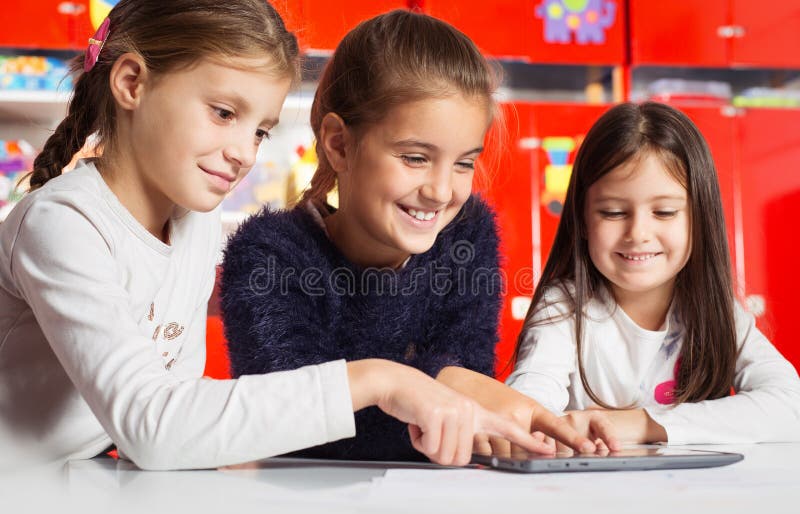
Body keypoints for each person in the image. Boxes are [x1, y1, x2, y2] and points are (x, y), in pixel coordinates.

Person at [0, 0, 550, 471]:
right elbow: (152, 424)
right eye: (222, 113)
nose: (244, 152)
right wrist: (385, 379)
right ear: (131, 83)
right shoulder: (63, 223)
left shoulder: (192, 220)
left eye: (259, 129)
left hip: (82, 486)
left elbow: (179, 418)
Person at [221, 9, 608, 461]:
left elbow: (463, 394)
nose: (442, 192)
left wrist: (463, 393)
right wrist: (444, 382)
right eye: (415, 158)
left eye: (464, 163)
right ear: (339, 144)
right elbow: (296, 422)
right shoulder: (267, 256)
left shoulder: (466, 236)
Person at [507, 102, 800, 445]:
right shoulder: (563, 309)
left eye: (663, 212)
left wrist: (642, 424)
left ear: (699, 220)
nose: (638, 233)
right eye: (614, 212)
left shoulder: (717, 312)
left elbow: (789, 405)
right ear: (582, 220)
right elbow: (526, 412)